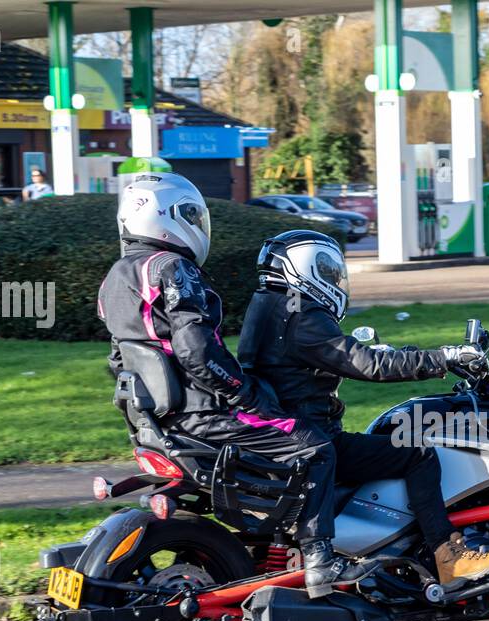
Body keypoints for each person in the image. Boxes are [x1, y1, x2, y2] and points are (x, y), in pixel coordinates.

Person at [98, 174, 363, 597]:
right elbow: (197, 353)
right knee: (314, 446)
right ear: (164, 215)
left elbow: (118, 360)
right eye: (189, 214)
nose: (197, 224)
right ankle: (319, 558)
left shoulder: (118, 276)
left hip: (160, 420)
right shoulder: (173, 269)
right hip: (204, 413)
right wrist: (245, 394)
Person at [237, 229, 489, 587]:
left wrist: (405, 355)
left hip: (287, 429)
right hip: (313, 434)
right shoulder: (302, 313)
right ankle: (447, 554)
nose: (335, 278)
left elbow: (323, 356)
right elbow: (368, 364)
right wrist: (444, 358)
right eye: (327, 269)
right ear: (303, 267)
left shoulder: (269, 304)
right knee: (418, 453)